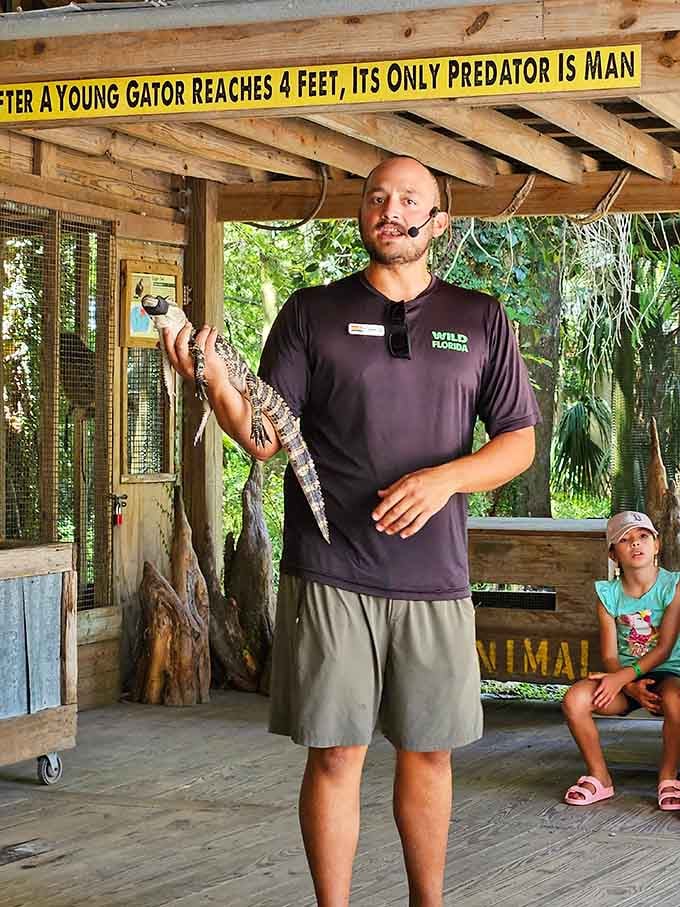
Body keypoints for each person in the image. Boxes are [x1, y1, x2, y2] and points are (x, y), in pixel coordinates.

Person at [163, 155, 539, 907]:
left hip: (434, 576)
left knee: (429, 753)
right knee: (337, 754)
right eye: (376, 197)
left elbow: (518, 441)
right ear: (361, 215)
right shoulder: (311, 312)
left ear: (440, 221)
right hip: (331, 569)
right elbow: (266, 434)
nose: (388, 209)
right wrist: (210, 377)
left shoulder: (480, 317)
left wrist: (446, 478)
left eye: (408, 199)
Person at [562, 510, 680, 810]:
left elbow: (664, 648)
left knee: (676, 700)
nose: (635, 544)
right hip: (625, 679)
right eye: (625, 541)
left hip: (668, 675)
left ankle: (668, 777)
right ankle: (600, 777)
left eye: (643, 537)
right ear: (614, 554)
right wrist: (627, 686)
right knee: (575, 699)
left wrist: (623, 679)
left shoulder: (674, 587)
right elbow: (610, 656)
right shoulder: (608, 595)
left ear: (657, 544)